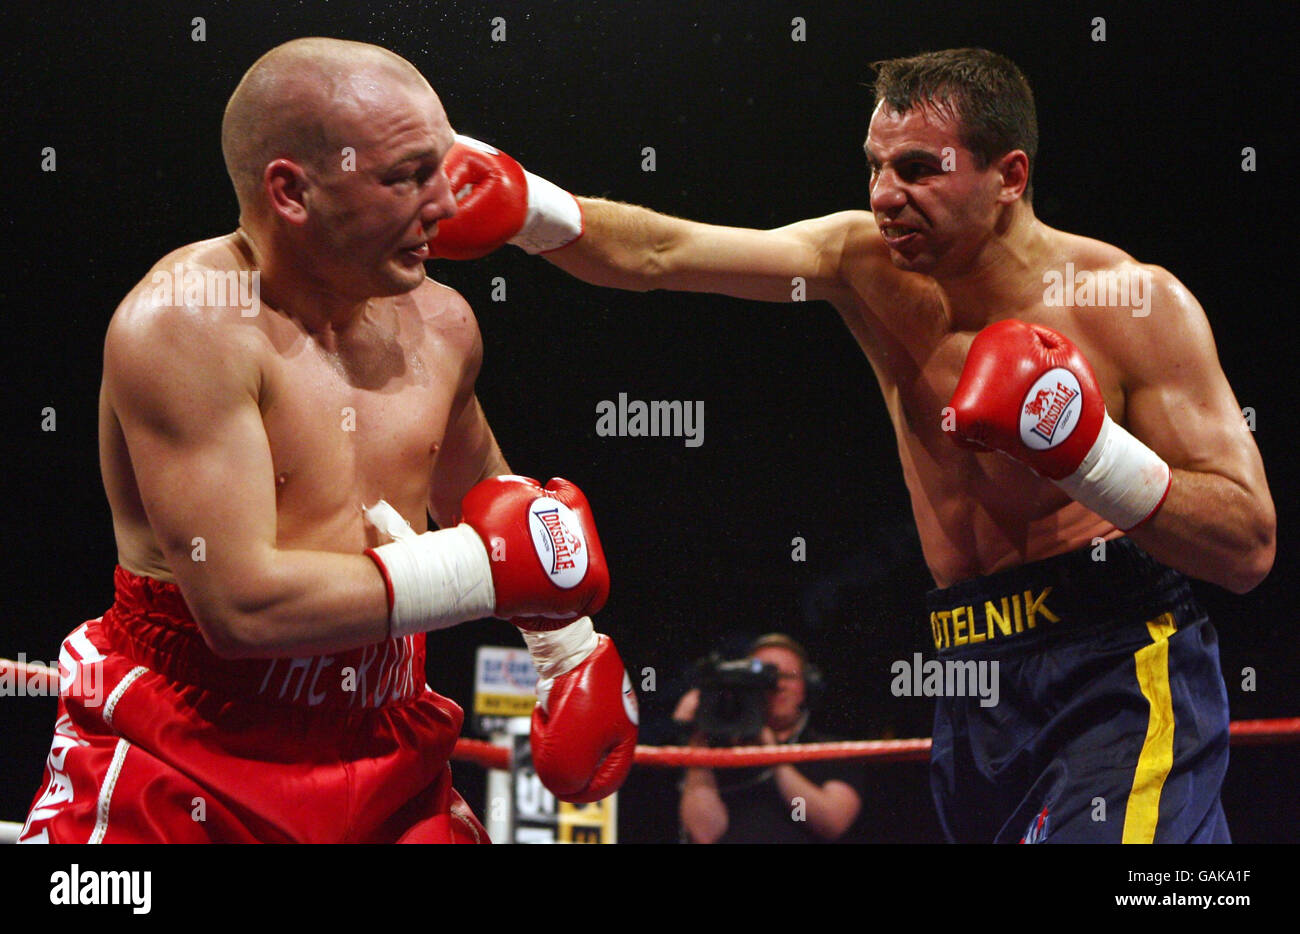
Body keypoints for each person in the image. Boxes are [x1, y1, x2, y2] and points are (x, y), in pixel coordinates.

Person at [428, 48, 1275, 842]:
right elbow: (660, 250)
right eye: (875, 164)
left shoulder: (1133, 305)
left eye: (916, 169)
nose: (883, 194)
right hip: (970, 676)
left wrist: (1087, 451)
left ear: (1009, 175)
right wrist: (523, 203)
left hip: (1117, 664)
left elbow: (1246, 545)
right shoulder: (863, 265)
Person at [18, 38, 637, 844]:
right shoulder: (187, 325)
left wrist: (565, 645)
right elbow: (241, 607)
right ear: (291, 191)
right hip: (185, 742)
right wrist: (469, 573)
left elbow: (490, 502)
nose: (447, 206)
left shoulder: (443, 323)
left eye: (443, 168)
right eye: (407, 176)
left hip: (385, 736)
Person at [674, 634, 863, 844]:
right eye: (767, 677)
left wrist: (772, 754)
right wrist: (699, 737)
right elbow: (704, 835)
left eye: (788, 676)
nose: (778, 685)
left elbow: (833, 822)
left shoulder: (831, 750)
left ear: (806, 686)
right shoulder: (719, 750)